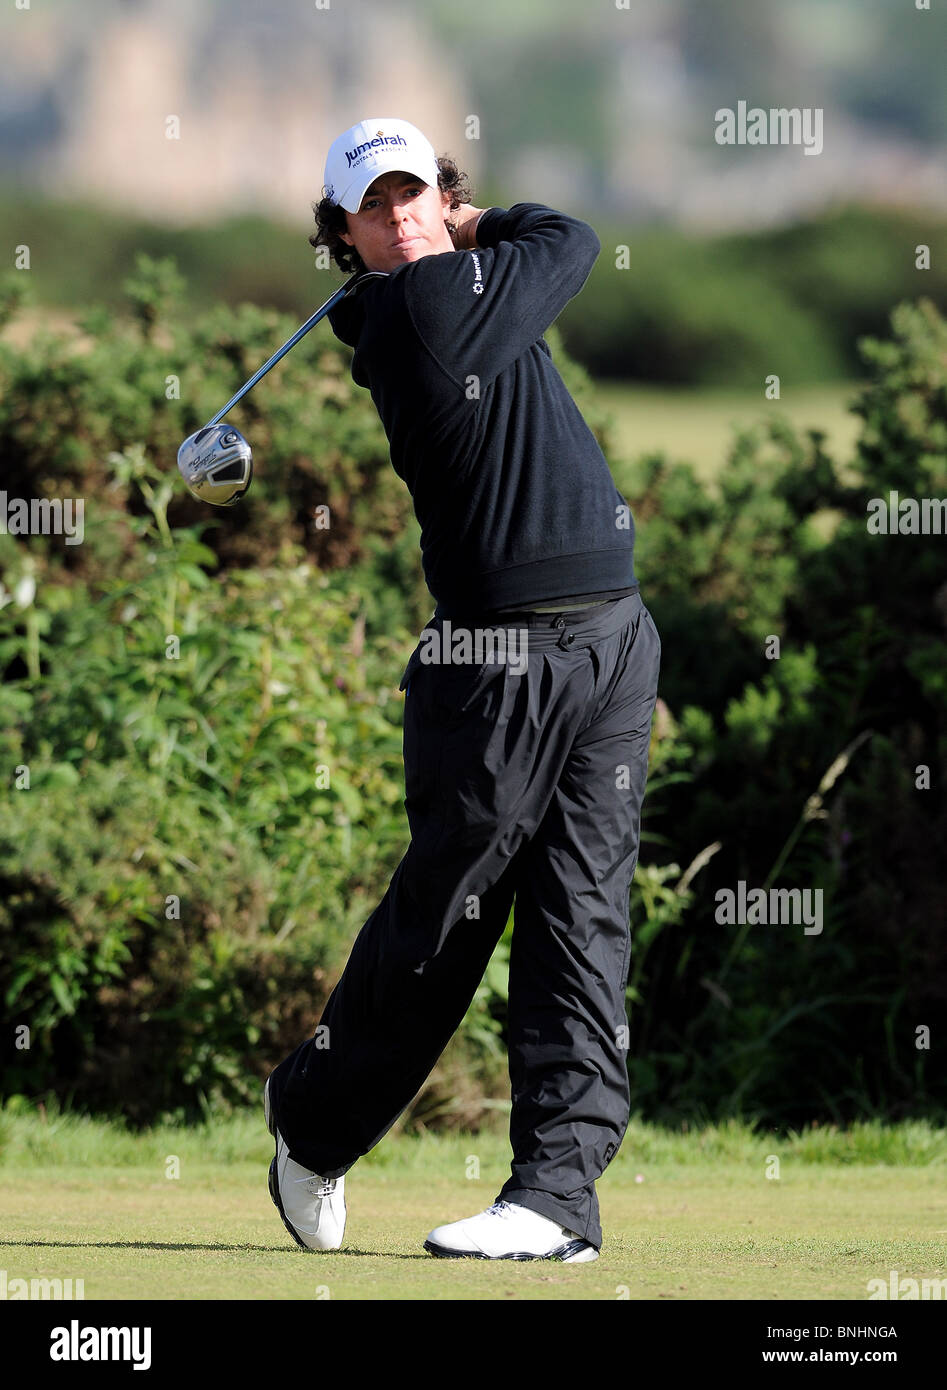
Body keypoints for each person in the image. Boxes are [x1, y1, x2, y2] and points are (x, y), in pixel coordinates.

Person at [264, 117, 661, 1263]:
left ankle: (555, 1197)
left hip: (609, 638)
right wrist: (474, 223)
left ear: (441, 196)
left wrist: (465, 225)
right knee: (449, 916)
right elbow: (571, 238)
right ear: (346, 236)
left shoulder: (460, 281)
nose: (399, 217)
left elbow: (550, 243)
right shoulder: (410, 312)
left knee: (583, 917)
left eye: (415, 194)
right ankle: (313, 1127)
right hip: (493, 664)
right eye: (372, 208)